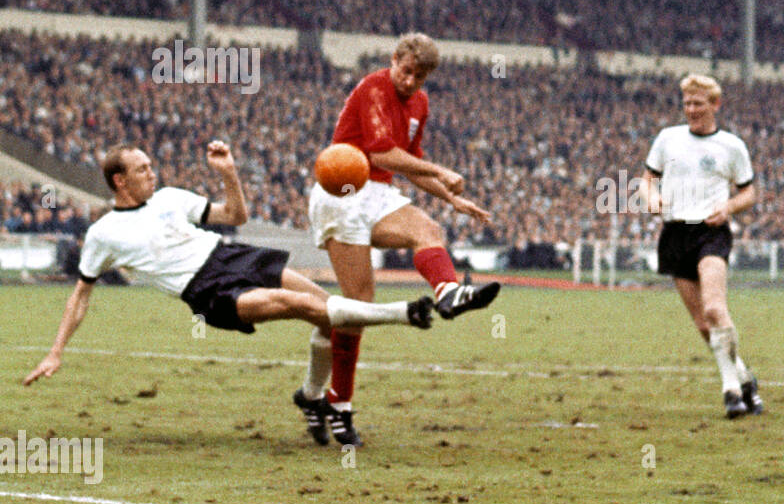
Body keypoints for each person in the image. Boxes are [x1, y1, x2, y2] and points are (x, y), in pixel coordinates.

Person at [22, 142, 440, 447]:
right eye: (143, 168)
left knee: (329, 318)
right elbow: (80, 295)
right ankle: (405, 312)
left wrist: (228, 173)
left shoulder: (169, 198)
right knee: (299, 306)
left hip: (232, 255)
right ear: (120, 180)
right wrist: (56, 350)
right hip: (208, 292)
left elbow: (234, 215)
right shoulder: (102, 234)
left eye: (151, 165)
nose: (153, 172)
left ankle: (311, 396)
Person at [308, 32, 498, 446]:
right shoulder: (373, 87)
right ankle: (336, 406)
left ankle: (448, 292)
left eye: (419, 77)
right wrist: (444, 172)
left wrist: (450, 197)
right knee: (357, 310)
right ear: (394, 60)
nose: (410, 82)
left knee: (429, 230)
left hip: (375, 193)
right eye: (406, 71)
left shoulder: (420, 104)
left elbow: (410, 166)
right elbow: (379, 153)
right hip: (341, 194)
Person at [642, 74, 761, 418]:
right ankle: (744, 377)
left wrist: (729, 207)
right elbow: (647, 179)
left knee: (714, 307)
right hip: (675, 235)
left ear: (715, 105)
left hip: (712, 234)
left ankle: (730, 391)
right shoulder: (668, 139)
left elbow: (749, 192)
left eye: (698, 104)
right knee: (702, 325)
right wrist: (651, 197)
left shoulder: (732, 146)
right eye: (687, 103)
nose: (691, 110)